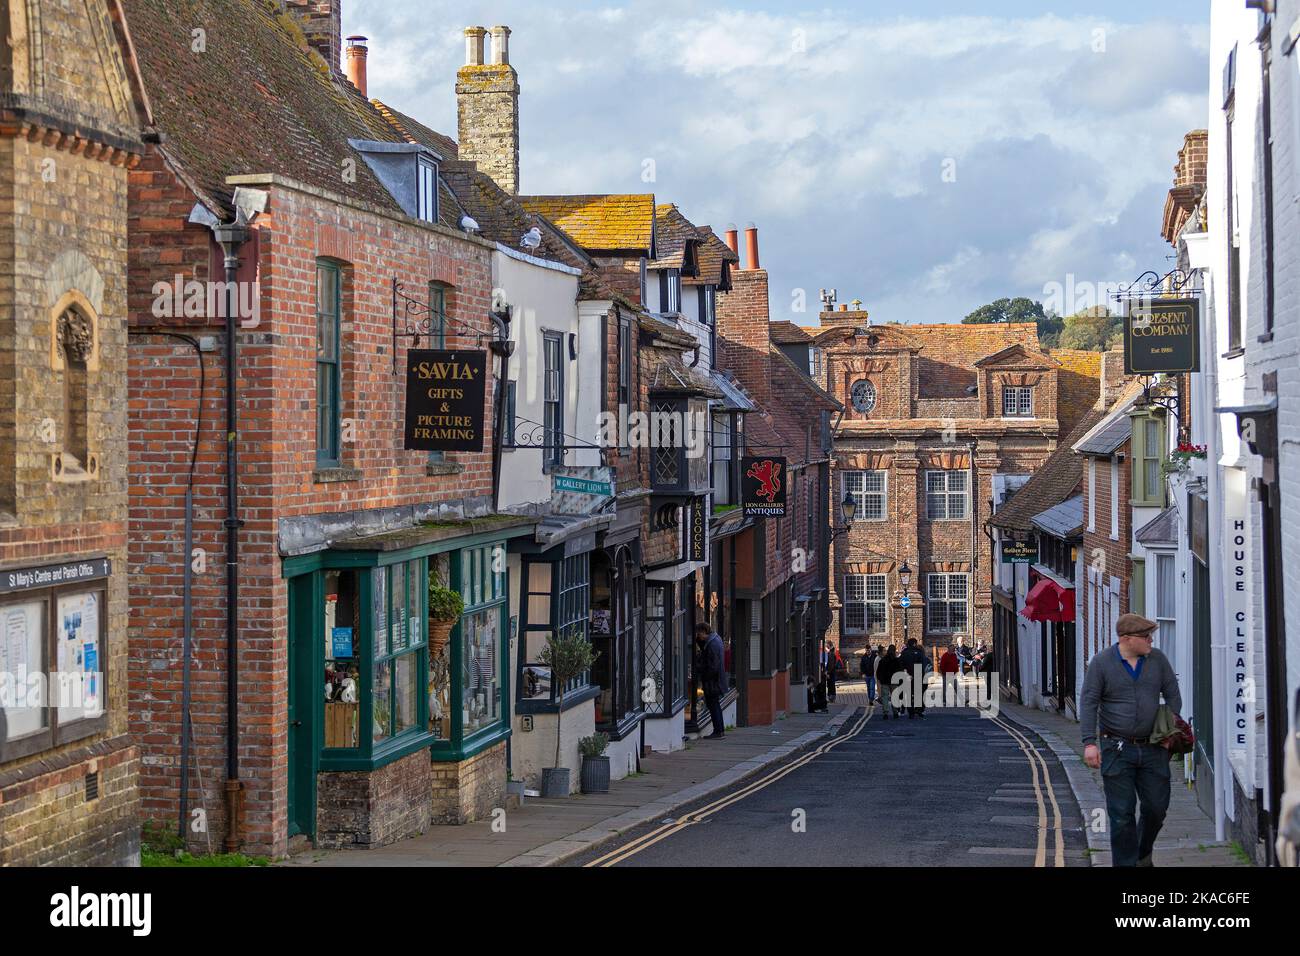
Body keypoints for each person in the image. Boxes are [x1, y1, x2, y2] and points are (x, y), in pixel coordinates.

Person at [1080, 613, 1183, 868]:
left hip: (1153, 748)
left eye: (1151, 636)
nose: (1150, 640)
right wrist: (1089, 742)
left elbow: (1173, 696)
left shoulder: (1157, 660)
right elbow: (1089, 702)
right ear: (1126, 639)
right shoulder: (1102, 663)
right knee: (1121, 814)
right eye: (1145, 636)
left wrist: (1167, 729)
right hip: (1116, 748)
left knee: (1156, 808)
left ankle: (1142, 853)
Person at [695, 623, 727, 739]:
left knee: (713, 705)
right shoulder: (715, 639)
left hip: (713, 681)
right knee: (715, 705)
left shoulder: (712, 645)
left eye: (699, 634)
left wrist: (704, 677)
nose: (699, 637)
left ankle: (718, 731)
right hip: (717, 680)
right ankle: (720, 730)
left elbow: (713, 666)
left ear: (704, 632)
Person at [898, 638, 927, 718]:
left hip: (907, 676)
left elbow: (900, 664)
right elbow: (923, 665)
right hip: (917, 675)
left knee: (909, 695)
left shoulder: (904, 652)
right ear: (914, 643)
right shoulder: (919, 652)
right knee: (918, 694)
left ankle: (911, 713)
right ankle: (918, 710)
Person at [876, 645, 900, 720]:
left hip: (885, 681)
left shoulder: (883, 660)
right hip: (894, 681)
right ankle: (895, 712)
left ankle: (885, 713)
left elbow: (878, 672)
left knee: (885, 697)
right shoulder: (896, 660)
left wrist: (880, 679)